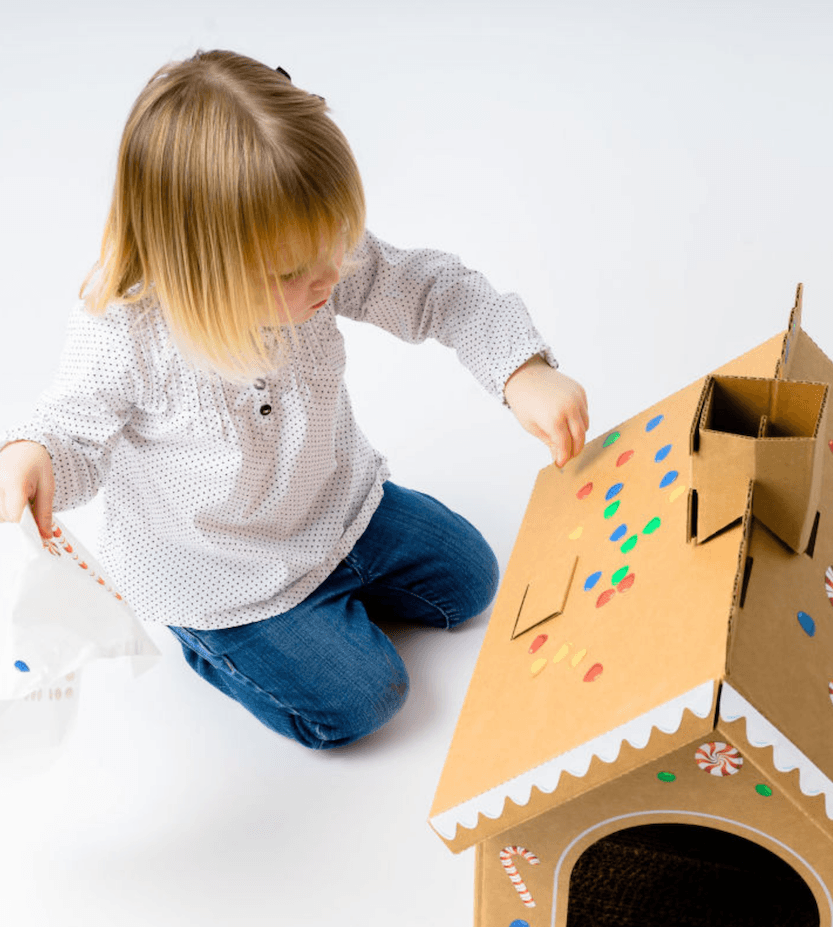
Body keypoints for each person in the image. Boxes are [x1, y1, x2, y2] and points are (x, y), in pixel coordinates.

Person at [0, 49, 589, 749]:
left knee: (474, 579)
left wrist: (520, 368)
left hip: (339, 508)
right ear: (196, 266)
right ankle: (216, 648)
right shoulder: (128, 334)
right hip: (225, 578)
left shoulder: (314, 256)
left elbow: (433, 288)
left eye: (335, 244)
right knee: (364, 701)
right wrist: (33, 455)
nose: (329, 277)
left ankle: (335, 596)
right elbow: (72, 430)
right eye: (291, 271)